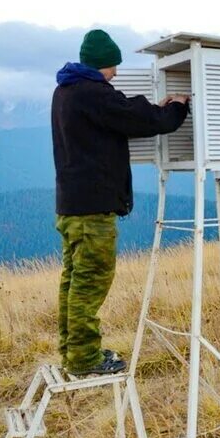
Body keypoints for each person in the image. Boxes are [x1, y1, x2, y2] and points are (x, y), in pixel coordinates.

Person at [51, 29, 189, 376]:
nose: (115, 74)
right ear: (103, 63)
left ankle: (74, 351)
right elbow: (137, 119)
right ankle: (85, 360)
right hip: (92, 211)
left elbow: (120, 113)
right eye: (113, 67)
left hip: (70, 207)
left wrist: (143, 107)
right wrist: (174, 108)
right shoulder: (93, 93)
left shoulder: (64, 91)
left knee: (73, 281)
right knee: (91, 282)